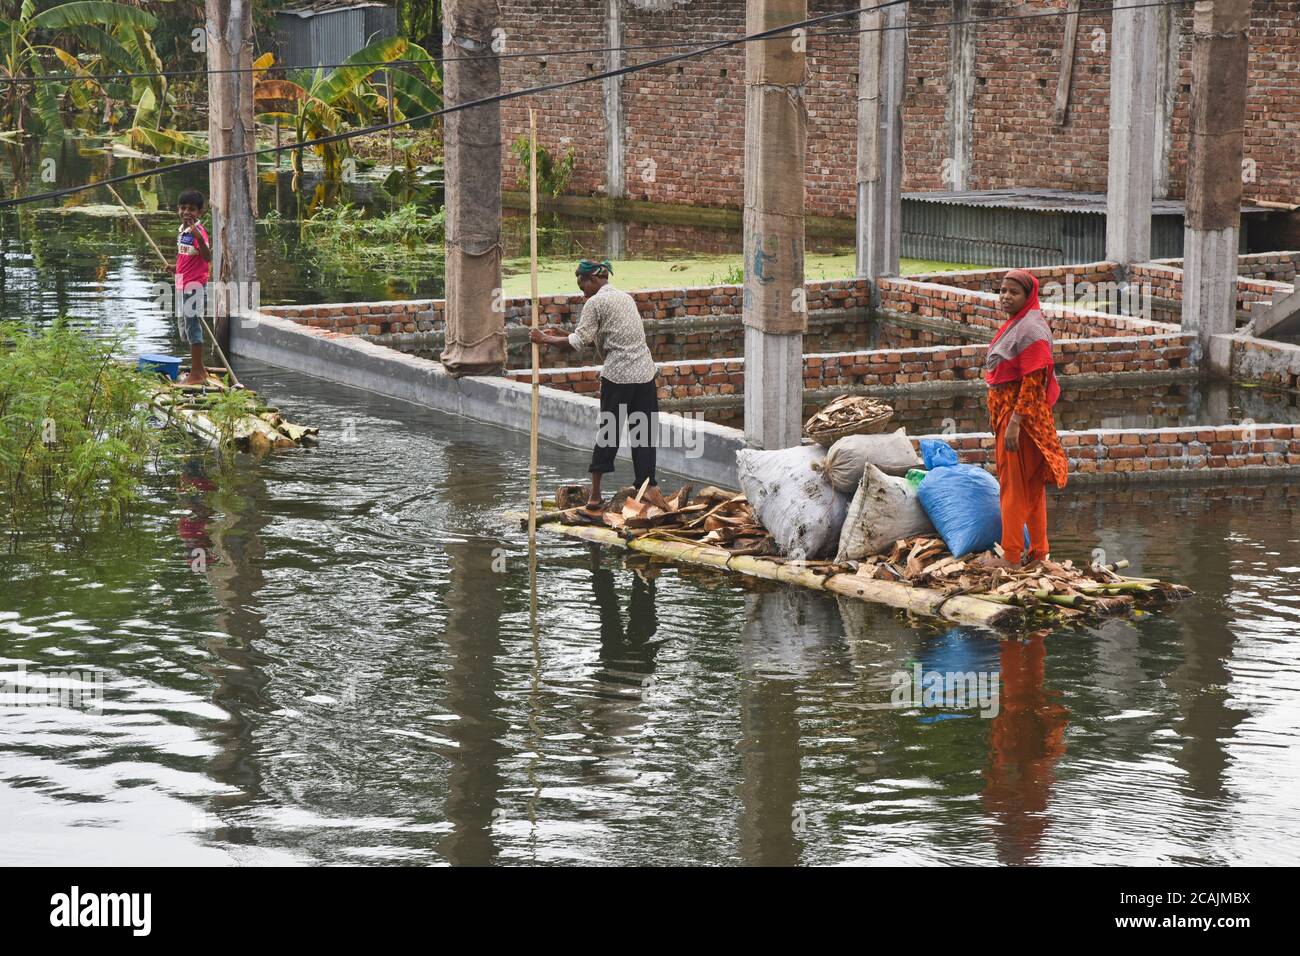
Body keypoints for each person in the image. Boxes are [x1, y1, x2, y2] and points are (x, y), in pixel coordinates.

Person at [530, 259, 670, 513]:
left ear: (593, 280)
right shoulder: (624, 297)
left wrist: (544, 339)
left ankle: (594, 496)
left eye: (582, 284)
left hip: (619, 376)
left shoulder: (594, 302)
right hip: (645, 374)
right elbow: (605, 335)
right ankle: (647, 489)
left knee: (609, 432)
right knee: (644, 432)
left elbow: (577, 343)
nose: (581, 291)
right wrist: (560, 334)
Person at [982, 269, 1069, 568]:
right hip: (1022, 420)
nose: (1005, 297)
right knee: (1031, 489)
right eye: (1002, 291)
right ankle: (1040, 554)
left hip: (1020, 422)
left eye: (1013, 292)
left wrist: (1014, 425)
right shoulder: (1019, 325)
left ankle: (1010, 557)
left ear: (1028, 296)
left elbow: (1033, 384)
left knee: (1013, 489)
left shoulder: (1030, 330)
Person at [175, 189, 212, 385]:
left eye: (192, 209)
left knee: (193, 326)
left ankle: (196, 373)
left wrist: (198, 237)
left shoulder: (199, 232)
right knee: (185, 327)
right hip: (182, 283)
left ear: (200, 213)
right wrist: (174, 268)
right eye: (183, 208)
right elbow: (185, 256)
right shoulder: (182, 231)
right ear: (178, 210)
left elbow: (207, 257)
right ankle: (201, 369)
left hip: (194, 285)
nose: (186, 212)